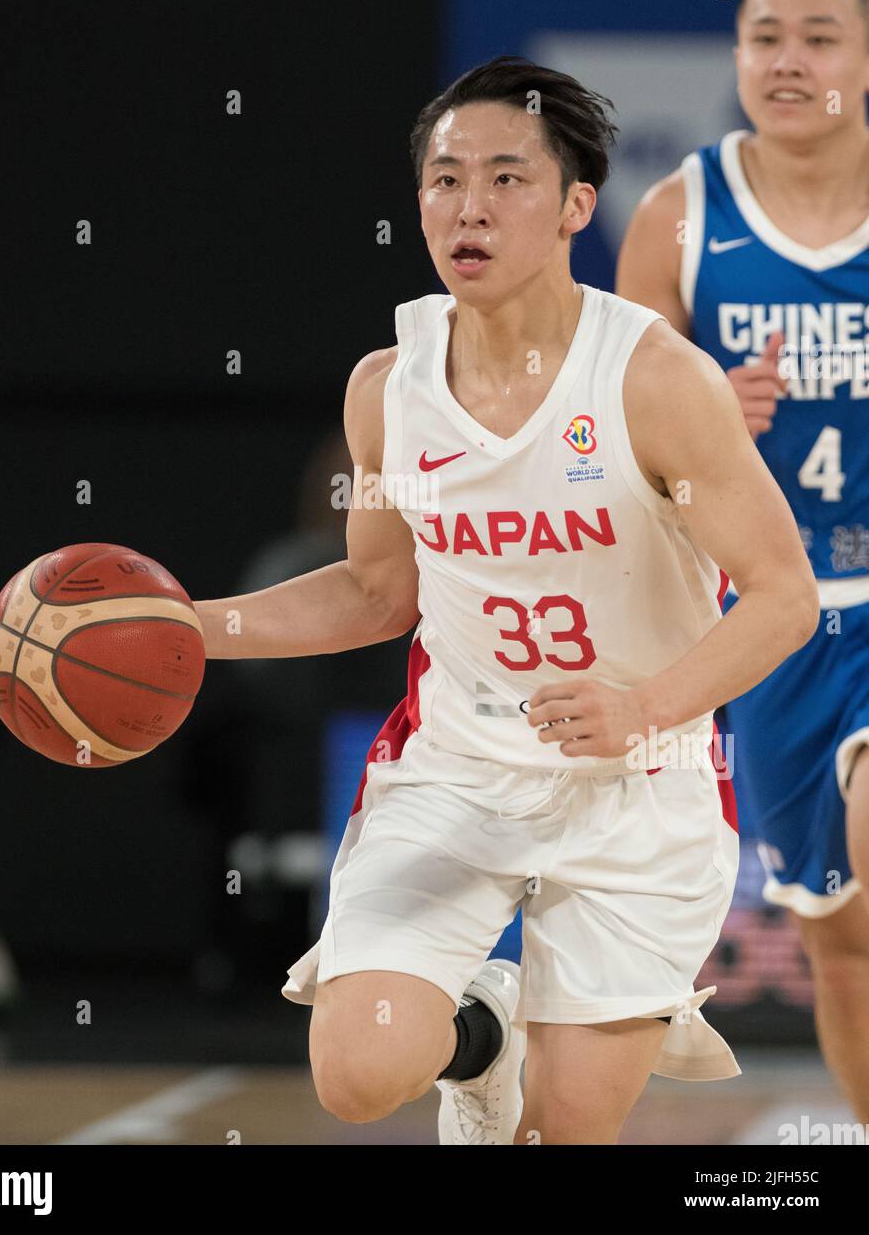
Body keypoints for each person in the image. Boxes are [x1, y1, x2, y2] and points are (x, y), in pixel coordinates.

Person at [195, 55, 819, 1145]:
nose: (467, 206)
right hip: (458, 771)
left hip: (635, 780)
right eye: (443, 180)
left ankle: (506, 1051)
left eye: (504, 178)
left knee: (564, 1135)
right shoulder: (387, 388)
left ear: (579, 203)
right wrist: (188, 627)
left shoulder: (656, 380)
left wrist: (645, 705)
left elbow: (782, 598)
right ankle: (477, 1032)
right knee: (356, 1072)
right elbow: (376, 590)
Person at [617, 0, 869, 1124]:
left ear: (861, 60)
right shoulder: (677, 215)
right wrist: (699, 412)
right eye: (764, 36)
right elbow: (606, 449)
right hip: (768, 621)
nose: (786, 60)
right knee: (842, 950)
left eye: (816, 36)